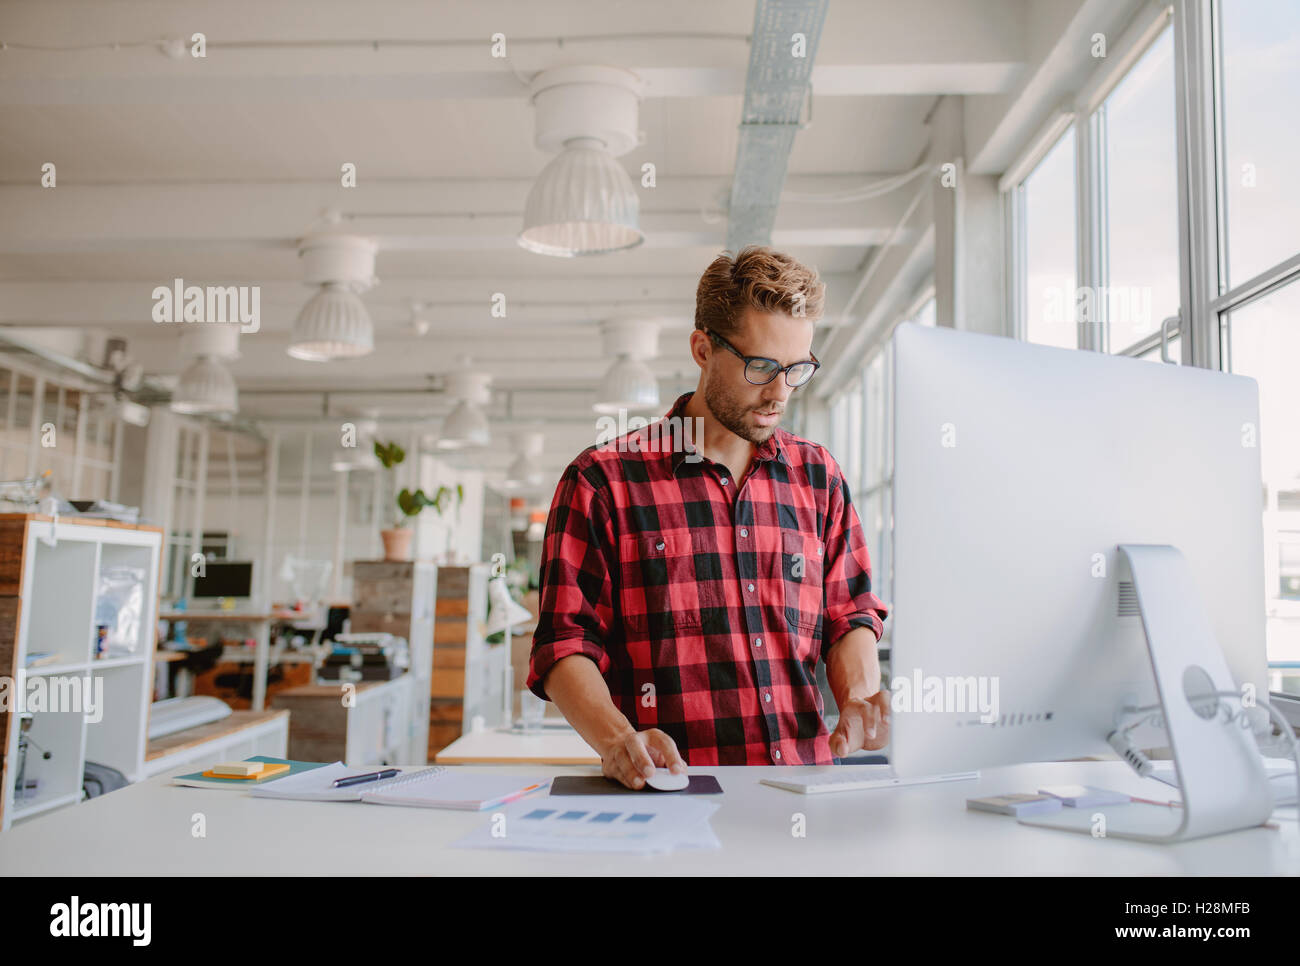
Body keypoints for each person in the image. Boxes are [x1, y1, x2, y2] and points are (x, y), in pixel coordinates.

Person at [527, 246, 890, 788]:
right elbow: (565, 644)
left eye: (797, 369)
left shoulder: (819, 478)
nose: (779, 393)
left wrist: (859, 697)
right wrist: (616, 738)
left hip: (803, 795)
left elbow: (849, 615)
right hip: (668, 795)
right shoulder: (602, 482)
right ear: (703, 348)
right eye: (762, 366)